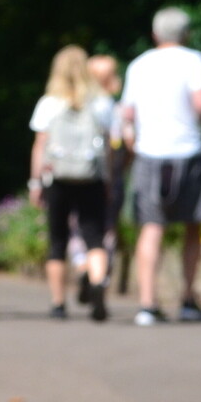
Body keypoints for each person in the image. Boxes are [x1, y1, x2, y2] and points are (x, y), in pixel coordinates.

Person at [119, 7, 201, 325]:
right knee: (192, 226)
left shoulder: (139, 65)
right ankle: (188, 299)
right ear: (185, 33)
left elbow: (127, 114)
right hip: (186, 150)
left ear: (155, 34)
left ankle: (147, 303)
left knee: (151, 227)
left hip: (150, 153)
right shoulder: (194, 60)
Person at [28, 46, 113, 321]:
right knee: (93, 235)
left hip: (58, 177)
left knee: (57, 240)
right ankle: (98, 281)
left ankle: (58, 303)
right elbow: (109, 147)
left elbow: (40, 146)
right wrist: (108, 177)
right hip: (91, 177)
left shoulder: (49, 103)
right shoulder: (101, 102)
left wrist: (35, 182)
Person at [86, 53, 128, 278]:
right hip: (109, 176)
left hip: (80, 175)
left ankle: (82, 264)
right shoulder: (113, 109)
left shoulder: (79, 105)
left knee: (82, 226)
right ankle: (101, 274)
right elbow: (124, 142)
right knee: (108, 227)